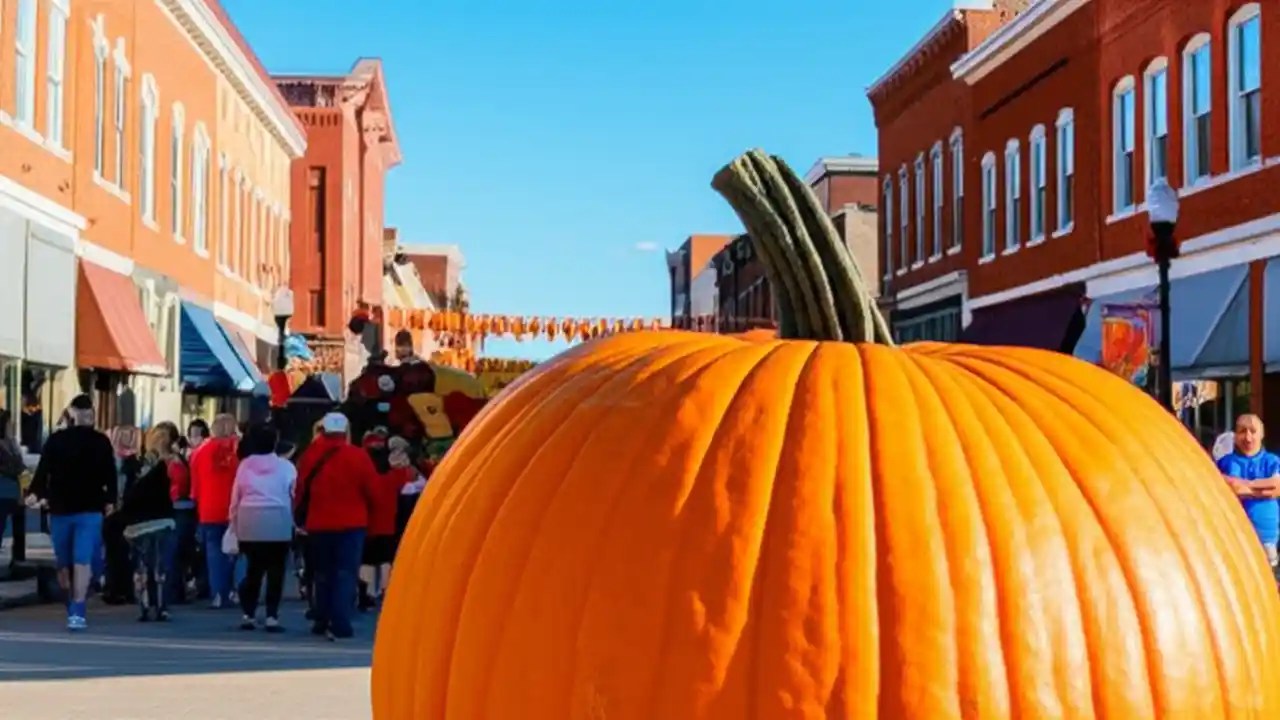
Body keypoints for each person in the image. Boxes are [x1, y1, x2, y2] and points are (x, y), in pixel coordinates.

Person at [26, 397, 116, 630]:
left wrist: (110, 499)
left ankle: (77, 607)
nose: (87, 416)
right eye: (84, 412)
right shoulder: (61, 441)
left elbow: (109, 474)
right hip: (66, 508)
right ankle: (75, 600)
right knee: (66, 560)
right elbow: (44, 470)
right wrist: (36, 492)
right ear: (75, 413)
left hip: (79, 509)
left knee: (80, 558)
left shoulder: (95, 441)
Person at [294, 412, 377, 640]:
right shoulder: (358, 456)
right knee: (345, 573)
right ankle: (340, 622)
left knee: (321, 573)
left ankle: (321, 618)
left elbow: (300, 489)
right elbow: (372, 490)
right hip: (352, 522)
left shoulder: (310, 455)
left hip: (318, 522)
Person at [230, 423, 296, 632]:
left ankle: (248, 614)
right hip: (278, 520)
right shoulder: (286, 467)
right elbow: (294, 494)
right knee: (276, 570)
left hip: (249, 520)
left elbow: (236, 497)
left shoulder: (244, 466)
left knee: (253, 569)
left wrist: (233, 522)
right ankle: (271, 616)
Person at [117, 427, 178, 621]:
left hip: (138, 525)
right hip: (163, 520)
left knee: (142, 564)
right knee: (161, 564)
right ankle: (161, 605)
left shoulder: (133, 466)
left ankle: (144, 603)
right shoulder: (169, 465)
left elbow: (125, 496)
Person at [1218, 413, 1280, 577]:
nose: (1248, 437)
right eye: (1242, 431)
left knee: (1268, 583)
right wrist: (1261, 489)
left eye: (1253, 431)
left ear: (1262, 434)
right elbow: (1231, 488)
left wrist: (1246, 485)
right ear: (1235, 435)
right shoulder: (1227, 462)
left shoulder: (1271, 460)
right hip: (1235, 537)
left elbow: (1276, 486)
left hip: (1266, 537)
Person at [189, 414, 240, 608]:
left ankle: (218, 593)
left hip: (208, 509)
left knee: (214, 553)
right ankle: (236, 590)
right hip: (235, 509)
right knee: (236, 552)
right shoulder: (239, 450)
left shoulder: (200, 452)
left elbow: (194, 487)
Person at [101, 426, 143, 605]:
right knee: (127, 554)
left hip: (116, 514)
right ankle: (126, 589)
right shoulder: (138, 463)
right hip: (131, 514)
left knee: (114, 554)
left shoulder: (112, 462)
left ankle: (115, 588)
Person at [0, 410, 26, 568]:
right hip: (3, 492)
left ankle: (18, 558)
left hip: (14, 492)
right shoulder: (7, 445)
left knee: (19, 527)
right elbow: (14, 466)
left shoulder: (12, 443)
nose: (12, 425)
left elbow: (19, 465)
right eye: (9, 422)